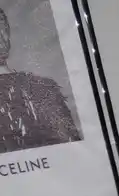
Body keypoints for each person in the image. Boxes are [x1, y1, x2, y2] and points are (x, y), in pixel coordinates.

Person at [0, 7, 81, 153]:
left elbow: (74, 151)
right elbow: (75, 152)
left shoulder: (41, 89)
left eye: (2, 26)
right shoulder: (41, 89)